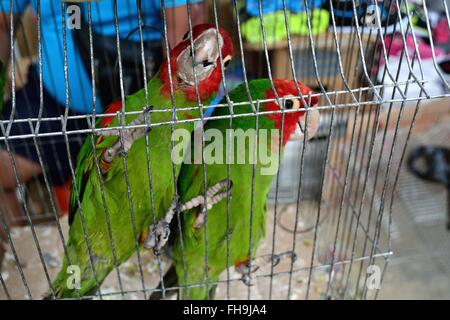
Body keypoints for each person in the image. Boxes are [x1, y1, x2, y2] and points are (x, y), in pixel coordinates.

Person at [0, 0, 206, 263]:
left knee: (163, 196)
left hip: (141, 101)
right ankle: (25, 264)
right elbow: (3, 24)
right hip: (54, 103)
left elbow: (181, 28)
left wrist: (169, 111)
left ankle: (151, 264)